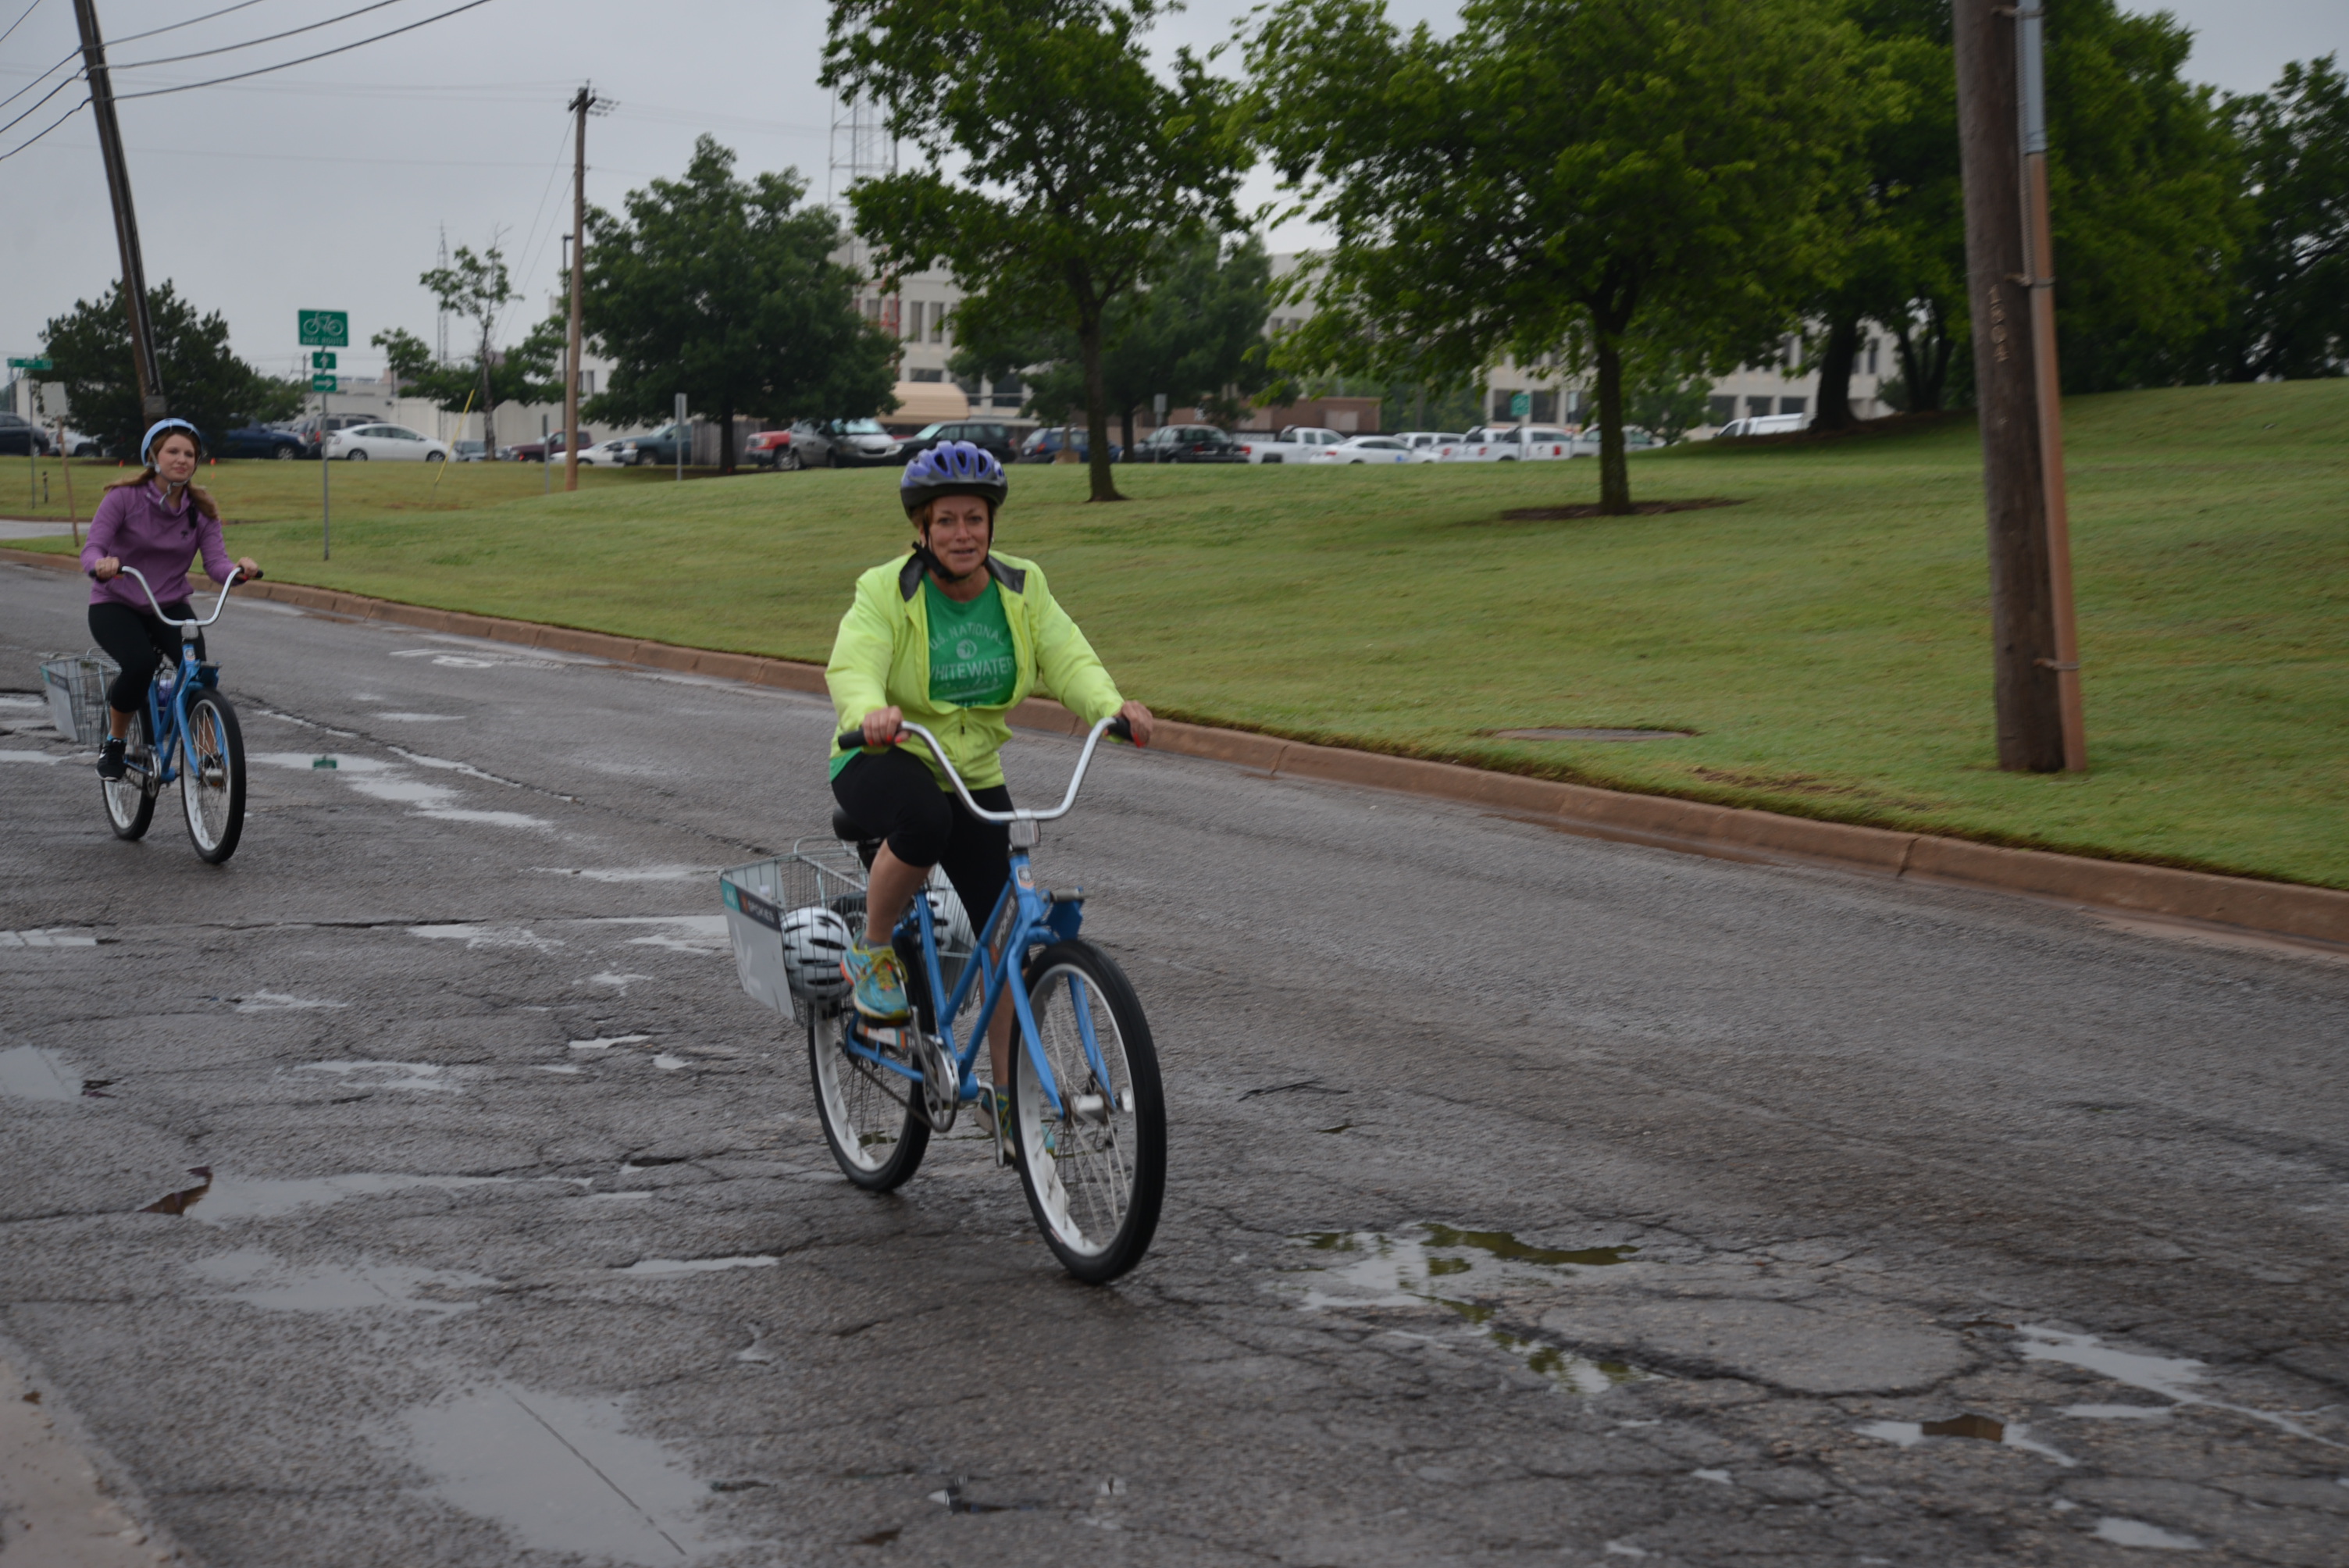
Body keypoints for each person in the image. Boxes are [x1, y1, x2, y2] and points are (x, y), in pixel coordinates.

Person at [826, 440, 1152, 1125]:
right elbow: (855, 663)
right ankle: (873, 952)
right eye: (946, 521)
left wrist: (1110, 706)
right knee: (926, 823)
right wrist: (869, 712)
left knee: (1005, 940)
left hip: (970, 772)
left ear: (992, 523)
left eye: (973, 518)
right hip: (883, 755)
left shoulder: (1021, 586)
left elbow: (1067, 656)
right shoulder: (886, 588)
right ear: (922, 528)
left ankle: (1009, 1104)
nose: (962, 534)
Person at [81, 420, 261, 780]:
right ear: (153, 456)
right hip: (115, 601)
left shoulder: (201, 508)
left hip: (167, 605)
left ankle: (209, 754)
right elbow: (93, 549)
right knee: (139, 663)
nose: (181, 460)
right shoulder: (123, 498)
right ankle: (115, 742)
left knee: (199, 674)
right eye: (173, 452)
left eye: (189, 454)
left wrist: (238, 571)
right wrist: (101, 565)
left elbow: (215, 564)